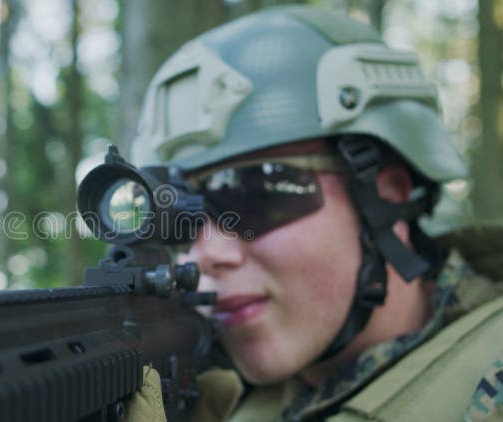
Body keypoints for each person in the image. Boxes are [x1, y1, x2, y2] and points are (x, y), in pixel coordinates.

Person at [124, 5, 503, 421]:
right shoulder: (217, 400)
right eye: (182, 218)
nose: (205, 254)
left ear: (386, 197)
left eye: (256, 194)